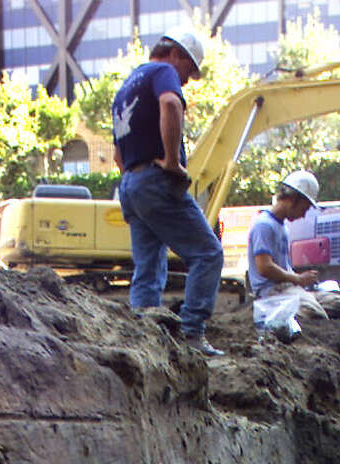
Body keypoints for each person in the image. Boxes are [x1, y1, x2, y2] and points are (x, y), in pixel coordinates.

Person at [112, 29, 225, 357]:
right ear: (176, 55)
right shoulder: (162, 73)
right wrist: (172, 163)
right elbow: (171, 104)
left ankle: (144, 339)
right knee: (208, 253)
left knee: (147, 267)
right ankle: (192, 334)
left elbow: (118, 154)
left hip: (131, 186)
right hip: (155, 180)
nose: (187, 80)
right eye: (189, 71)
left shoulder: (125, 88)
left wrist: (138, 180)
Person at [246, 170, 322, 339]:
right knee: (316, 313)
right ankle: (274, 320)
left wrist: (302, 280)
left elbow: (282, 267)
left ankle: (288, 312)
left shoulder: (282, 227)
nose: (304, 214)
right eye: (305, 207)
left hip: (288, 289)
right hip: (273, 292)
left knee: (339, 304)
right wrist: (297, 279)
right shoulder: (264, 225)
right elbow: (265, 267)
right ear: (294, 199)